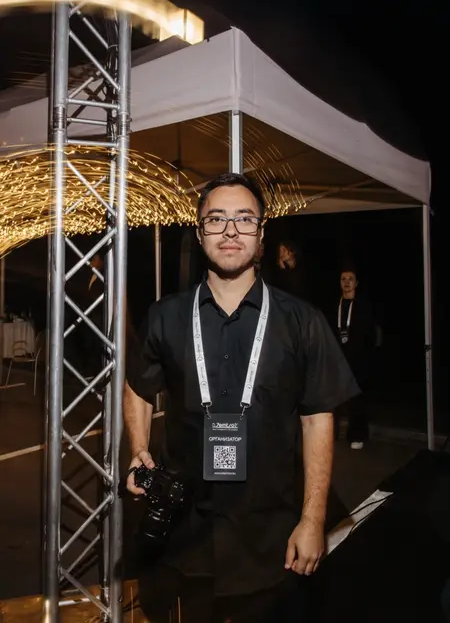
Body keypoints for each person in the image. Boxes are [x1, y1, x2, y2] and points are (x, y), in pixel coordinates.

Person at [124, 173, 359, 622]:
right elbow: (138, 385)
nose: (231, 230)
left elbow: (317, 419)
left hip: (272, 543)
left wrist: (312, 521)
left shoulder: (302, 321)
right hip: (183, 540)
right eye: (216, 219)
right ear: (199, 233)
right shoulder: (166, 316)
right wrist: (138, 448)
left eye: (244, 219)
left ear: (261, 233)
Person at [333, 268, 376, 449]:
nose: (347, 282)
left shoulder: (363, 306)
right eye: (343, 279)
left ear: (356, 283)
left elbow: (369, 335)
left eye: (350, 279)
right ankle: (331, 434)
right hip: (339, 359)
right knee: (333, 399)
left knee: (357, 400)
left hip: (358, 361)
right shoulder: (336, 305)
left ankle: (358, 435)